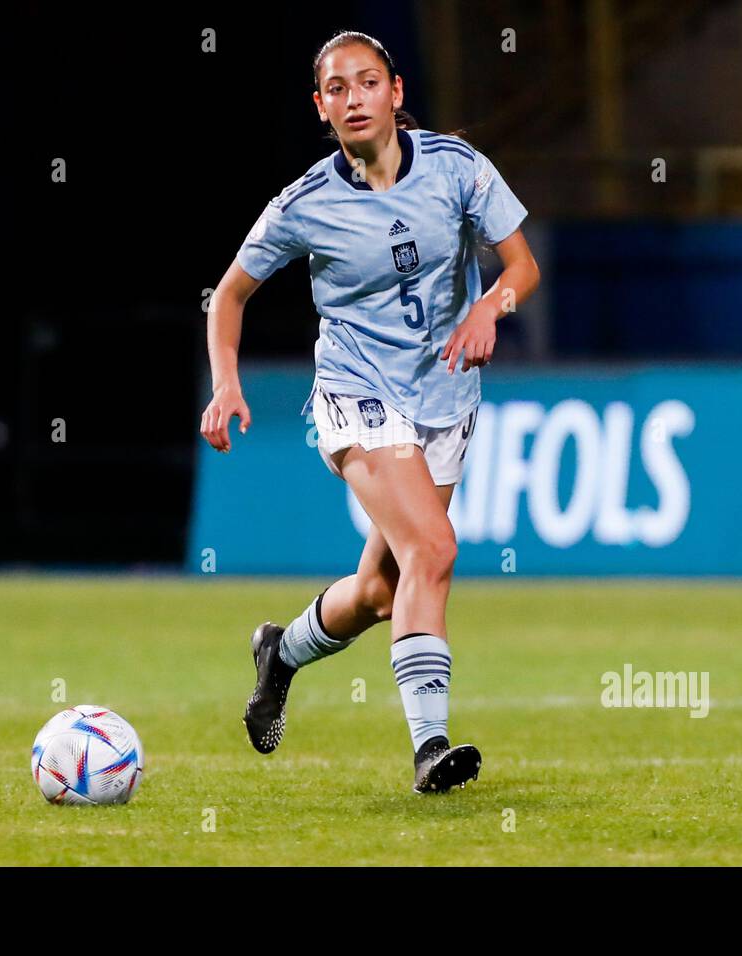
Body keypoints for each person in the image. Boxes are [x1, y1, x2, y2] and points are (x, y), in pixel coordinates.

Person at [200, 29, 540, 793]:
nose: (354, 98)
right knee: (436, 550)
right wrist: (227, 383)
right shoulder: (304, 204)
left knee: (384, 593)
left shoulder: (457, 169)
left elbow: (523, 264)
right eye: (337, 88)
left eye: (367, 82)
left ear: (395, 93)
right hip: (355, 394)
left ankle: (279, 651)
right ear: (320, 107)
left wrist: (491, 305)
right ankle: (430, 747)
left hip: (445, 398)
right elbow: (229, 294)